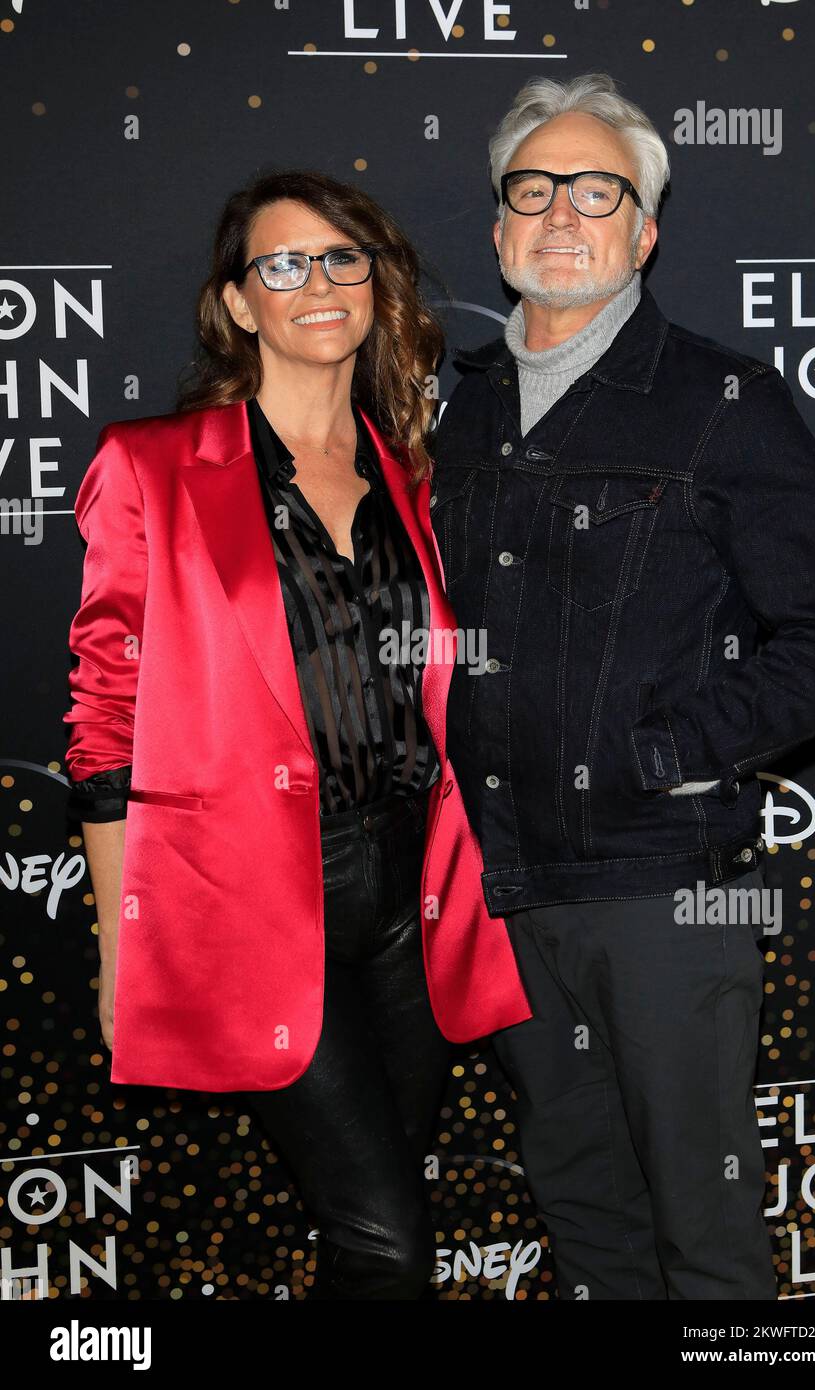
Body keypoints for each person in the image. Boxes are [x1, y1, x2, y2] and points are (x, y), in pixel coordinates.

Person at [429, 73, 815, 1300]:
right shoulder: (446, 407)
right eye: (533, 188)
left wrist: (670, 751)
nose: (561, 212)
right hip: (500, 889)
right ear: (500, 223)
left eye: (596, 190)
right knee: (584, 1217)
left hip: (662, 889)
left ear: (643, 229)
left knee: (705, 1235)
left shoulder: (721, 402)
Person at [62, 169, 531, 1300]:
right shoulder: (153, 468)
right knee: (385, 1242)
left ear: (375, 285)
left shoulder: (409, 475)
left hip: (412, 894)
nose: (315, 284)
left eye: (341, 259)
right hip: (257, 894)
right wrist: (122, 941)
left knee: (385, 1211)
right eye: (281, 263)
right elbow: (101, 719)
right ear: (237, 301)